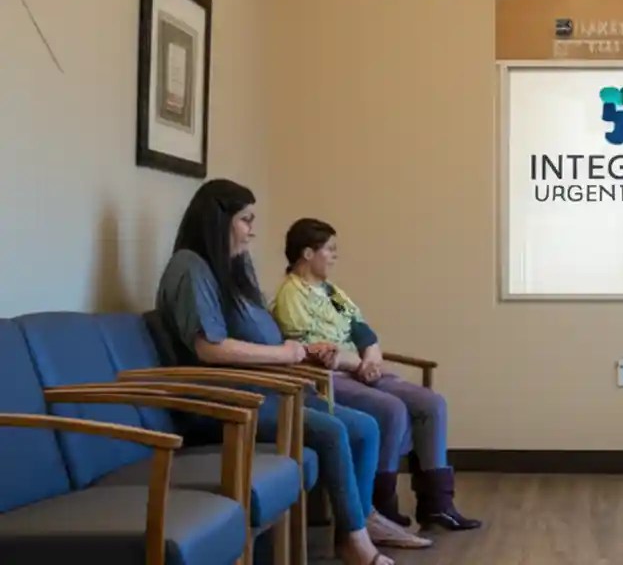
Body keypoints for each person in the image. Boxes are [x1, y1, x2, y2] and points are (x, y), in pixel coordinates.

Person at [155, 180, 429, 565]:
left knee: (365, 427)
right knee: (333, 431)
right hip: (224, 402)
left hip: (266, 389)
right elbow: (209, 347)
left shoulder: (232, 268)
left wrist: (299, 351)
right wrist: (283, 353)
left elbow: (257, 333)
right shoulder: (189, 267)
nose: (252, 230)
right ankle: (355, 542)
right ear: (218, 221)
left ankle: (361, 521)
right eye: (245, 220)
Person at [270, 217, 482, 533]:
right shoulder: (290, 296)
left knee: (431, 404)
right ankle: (381, 507)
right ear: (307, 253)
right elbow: (313, 351)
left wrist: (371, 359)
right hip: (327, 380)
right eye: (329, 249)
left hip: (358, 369)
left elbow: (364, 332)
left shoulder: (333, 292)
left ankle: (437, 505)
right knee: (391, 408)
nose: (334, 256)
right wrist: (358, 366)